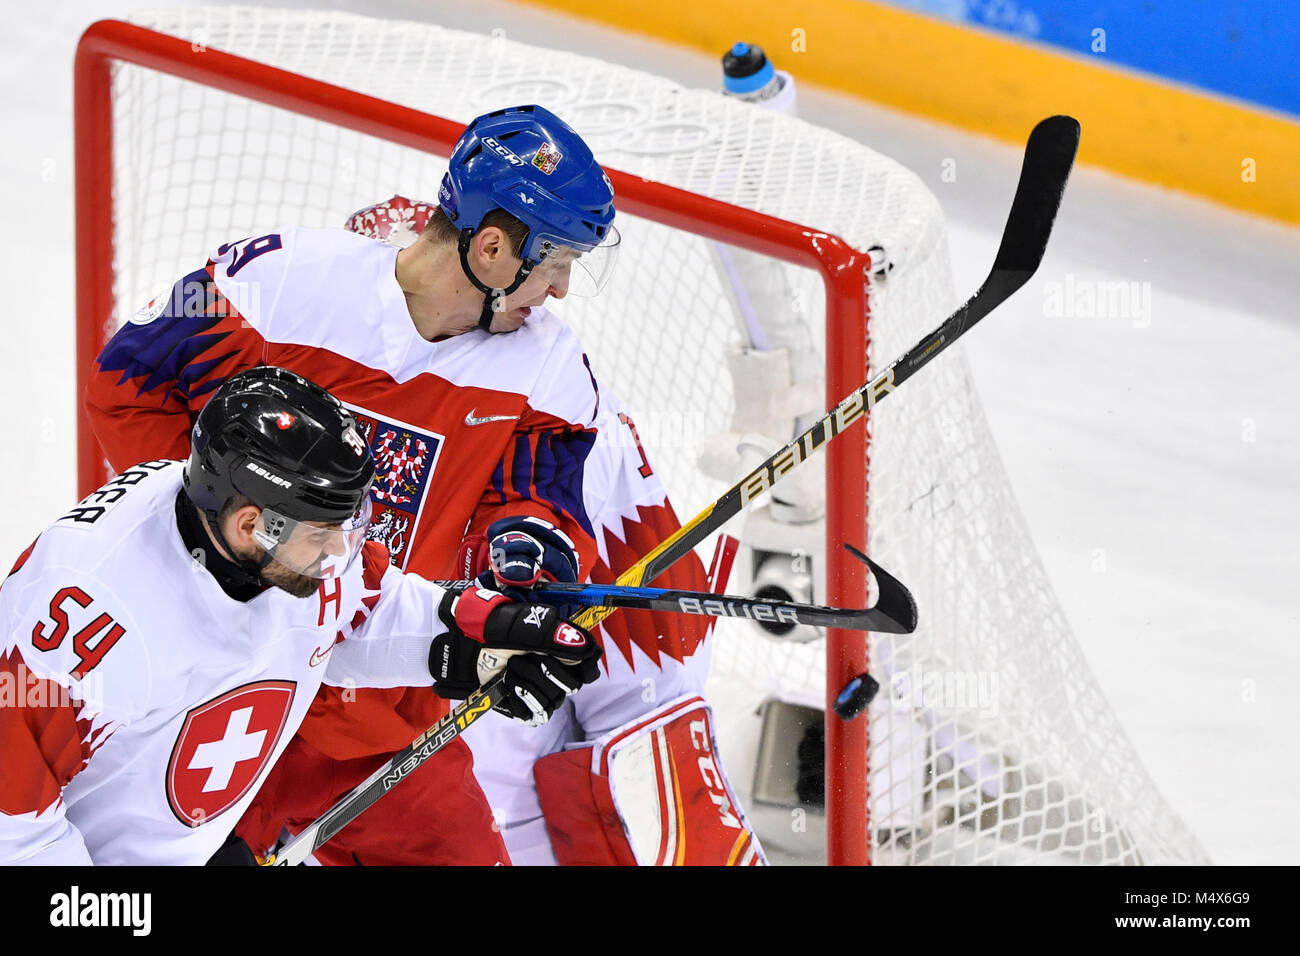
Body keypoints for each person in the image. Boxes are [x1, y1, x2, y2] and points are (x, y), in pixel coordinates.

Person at [85, 106, 759, 865]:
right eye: (557, 262)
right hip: (208, 691)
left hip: (370, 716)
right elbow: (128, 384)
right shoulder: (280, 284)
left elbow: (534, 507)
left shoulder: (547, 370)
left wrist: (520, 574)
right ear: (497, 248)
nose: (563, 289)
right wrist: (221, 535)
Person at [0, 366, 600, 864]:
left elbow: (361, 611)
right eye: (323, 534)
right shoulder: (89, 615)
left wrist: (476, 634)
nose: (341, 551)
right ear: (249, 526)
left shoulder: (278, 548)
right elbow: (11, 824)